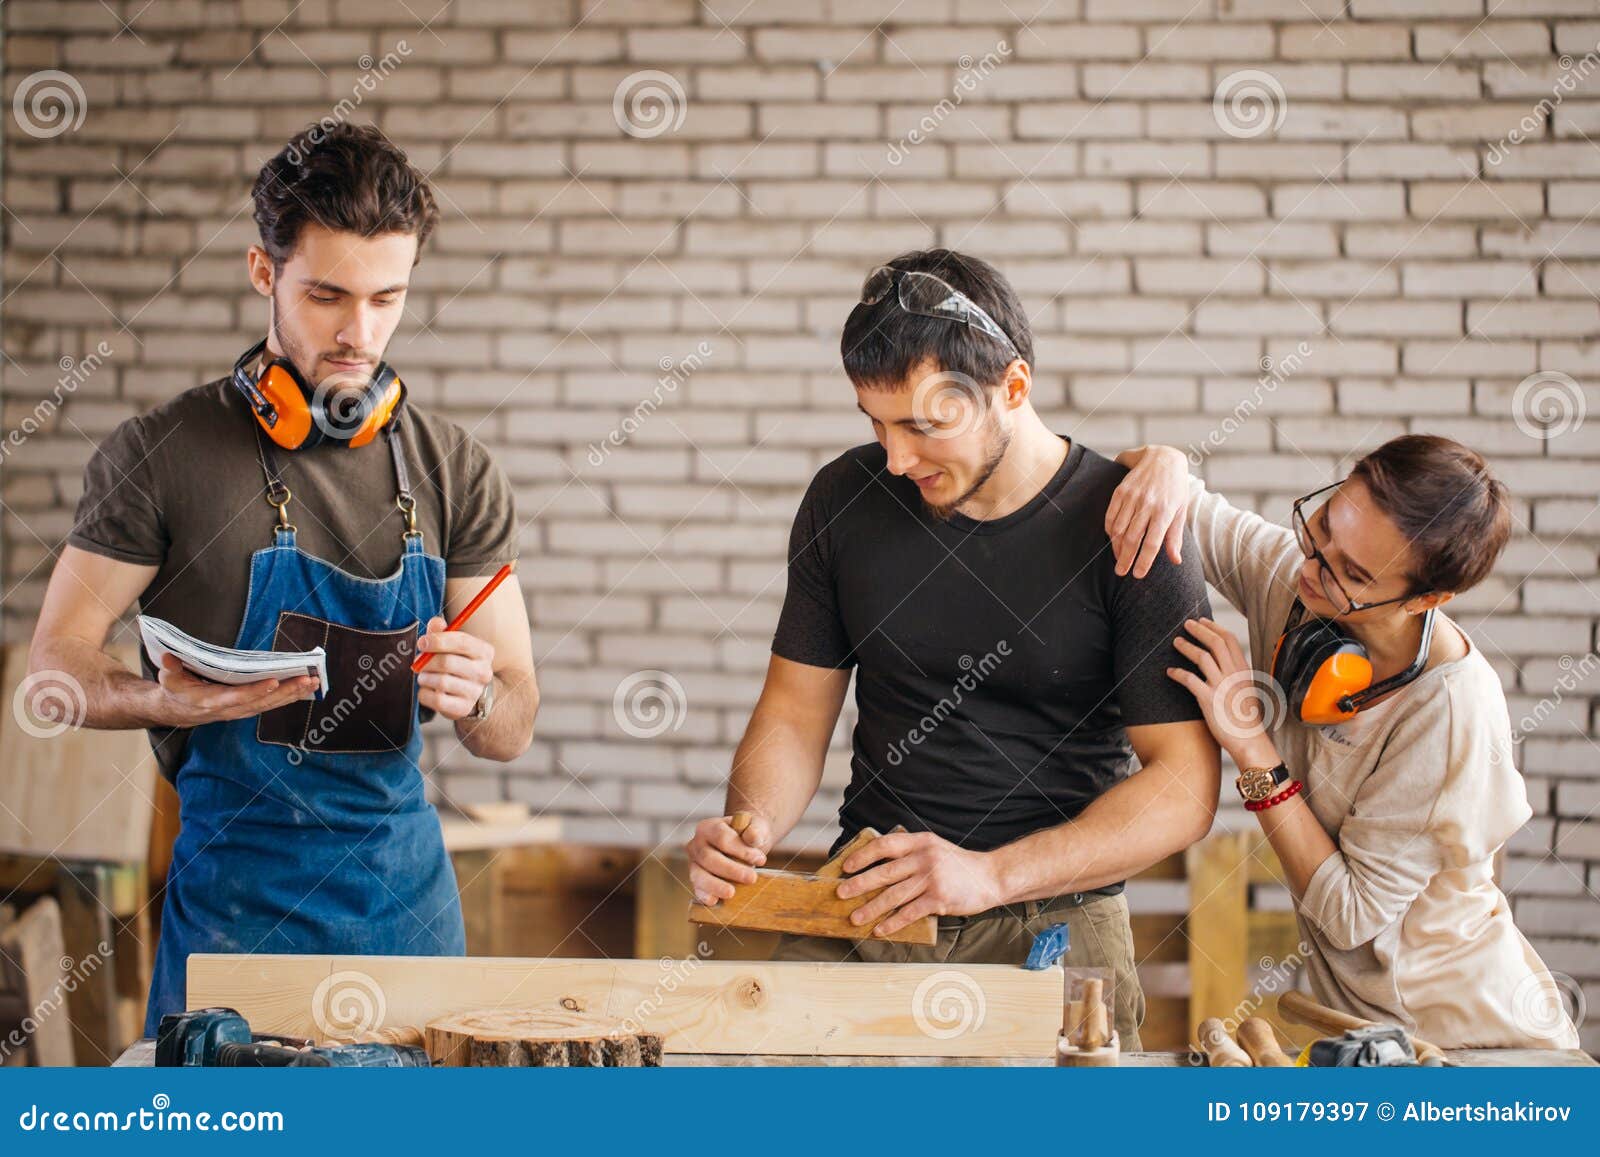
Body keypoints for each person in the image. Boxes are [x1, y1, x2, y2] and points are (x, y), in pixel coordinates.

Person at [29, 123, 539, 1036]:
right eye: (328, 296)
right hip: (232, 931)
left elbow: (513, 721)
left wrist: (475, 697)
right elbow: (51, 675)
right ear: (264, 273)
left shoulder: (456, 470)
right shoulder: (161, 457)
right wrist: (164, 704)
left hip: (408, 927)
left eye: (388, 298)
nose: (360, 333)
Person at [685, 249, 1221, 1049]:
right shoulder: (845, 499)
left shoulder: (1130, 526)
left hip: (1054, 925)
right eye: (877, 423)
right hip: (867, 902)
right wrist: (748, 826)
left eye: (924, 426)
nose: (896, 459)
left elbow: (1186, 787)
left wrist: (988, 875)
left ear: (1012, 386)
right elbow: (795, 714)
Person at [1104, 435, 1580, 1049]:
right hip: (1360, 1032)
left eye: (1353, 573)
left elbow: (1348, 916)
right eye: (1323, 526)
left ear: (1427, 600)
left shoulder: (1450, 711)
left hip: (1463, 1044)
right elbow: (1160, 492)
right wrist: (1166, 461)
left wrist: (1251, 747)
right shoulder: (1302, 585)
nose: (1311, 568)